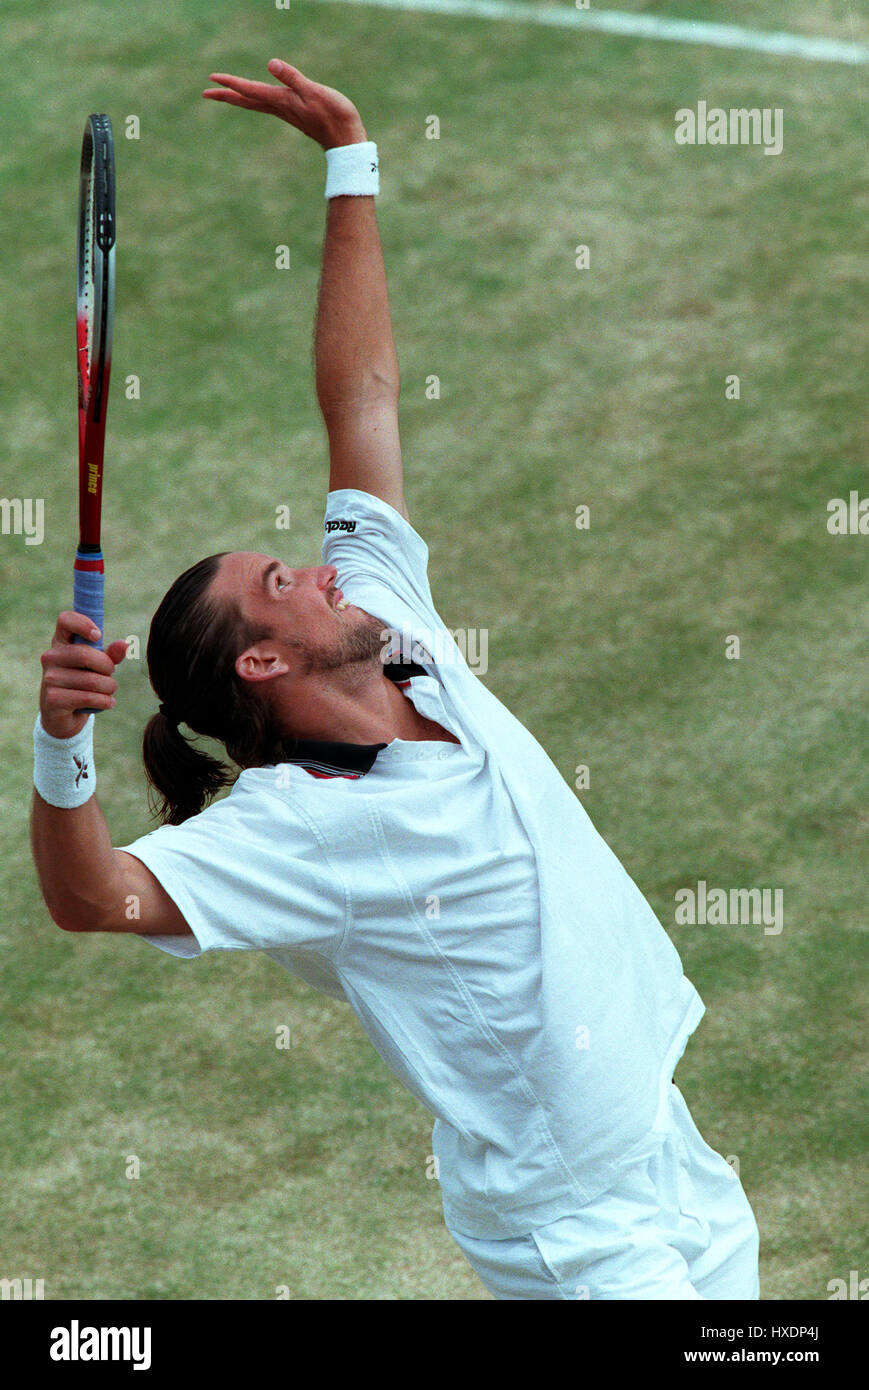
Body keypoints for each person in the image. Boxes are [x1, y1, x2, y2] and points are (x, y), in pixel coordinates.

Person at [31, 59, 759, 1300]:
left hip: (665, 1149)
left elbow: (361, 397)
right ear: (263, 663)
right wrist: (61, 749)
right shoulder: (298, 828)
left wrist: (348, 162)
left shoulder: (395, 618)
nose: (317, 569)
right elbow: (94, 899)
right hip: (577, 1234)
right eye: (279, 583)